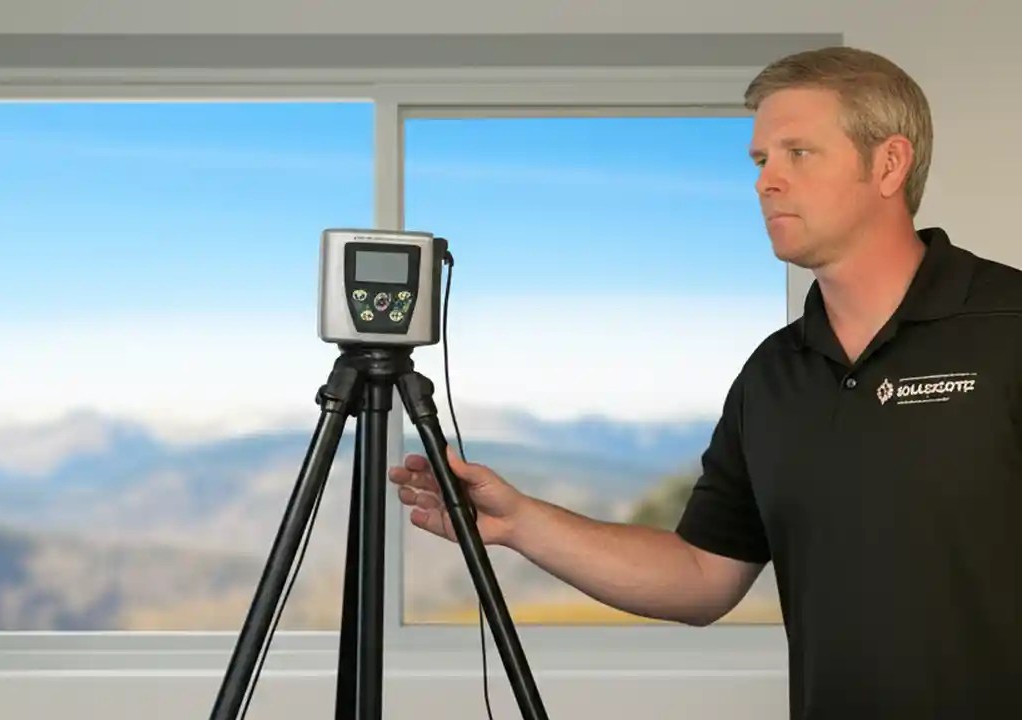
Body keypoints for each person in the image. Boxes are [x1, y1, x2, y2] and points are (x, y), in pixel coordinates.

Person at [389, 46, 1022, 719]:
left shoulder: (1008, 327)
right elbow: (701, 576)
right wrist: (521, 523)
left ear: (889, 163)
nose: (765, 182)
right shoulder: (775, 374)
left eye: (798, 153)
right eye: (760, 160)